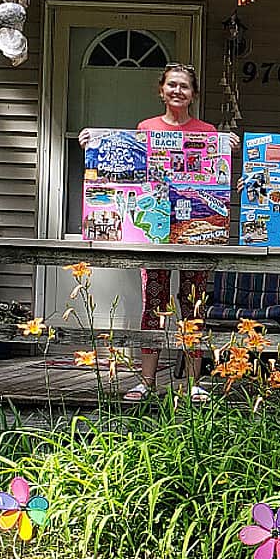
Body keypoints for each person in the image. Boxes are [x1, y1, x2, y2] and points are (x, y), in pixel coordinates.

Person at [79, 63, 217, 402]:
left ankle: (194, 383)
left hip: (192, 233)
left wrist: (225, 144)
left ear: (194, 94)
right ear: (161, 90)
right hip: (153, 231)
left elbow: (217, 174)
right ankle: (147, 380)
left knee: (192, 306)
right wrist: (92, 145)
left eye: (184, 86)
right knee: (153, 304)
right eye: (171, 85)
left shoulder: (207, 131)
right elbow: (125, 166)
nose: (177, 92)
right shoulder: (146, 128)